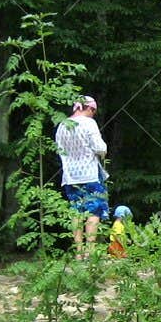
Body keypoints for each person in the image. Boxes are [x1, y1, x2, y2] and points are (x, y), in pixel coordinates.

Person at [55, 94, 109, 248]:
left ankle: (78, 252)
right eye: (94, 111)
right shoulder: (89, 123)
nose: (94, 114)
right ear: (90, 109)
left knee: (76, 212)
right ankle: (90, 251)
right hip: (90, 174)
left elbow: (59, 151)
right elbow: (100, 148)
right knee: (94, 211)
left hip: (70, 176)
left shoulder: (62, 126)